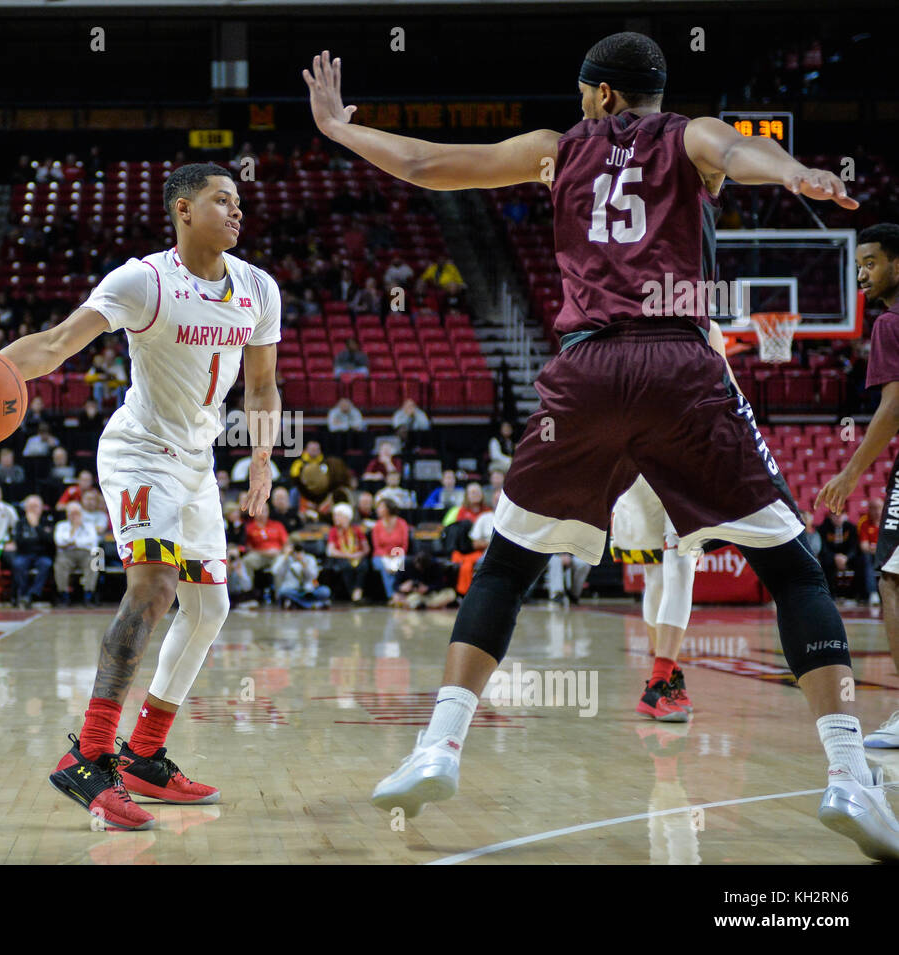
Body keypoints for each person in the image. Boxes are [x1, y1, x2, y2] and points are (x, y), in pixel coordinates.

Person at [307, 38, 897, 858]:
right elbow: (740, 149)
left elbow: (429, 162)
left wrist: (340, 130)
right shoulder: (690, 137)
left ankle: (437, 746)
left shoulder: (556, 151)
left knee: (509, 565)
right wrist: (796, 174)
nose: (580, 103)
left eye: (585, 92)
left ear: (606, 96)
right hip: (683, 364)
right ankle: (845, 772)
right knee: (795, 565)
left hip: (584, 368)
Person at [0, 162, 281, 830]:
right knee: (153, 591)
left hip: (198, 463)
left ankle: (144, 754)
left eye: (240, 202)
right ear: (183, 210)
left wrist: (263, 457)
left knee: (209, 609)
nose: (238, 211)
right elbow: (60, 342)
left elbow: (262, 385)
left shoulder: (258, 288)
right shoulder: (143, 280)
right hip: (140, 454)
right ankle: (90, 757)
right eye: (222, 200)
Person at [819, 223, 899, 747]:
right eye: (858, 265)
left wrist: (850, 473)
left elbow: (894, 408)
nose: (862, 274)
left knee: (892, 580)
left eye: (870, 262)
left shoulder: (890, 326)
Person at [609, 475, 696, 720]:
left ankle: (657, 686)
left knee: (681, 564)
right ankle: (670, 676)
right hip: (641, 471)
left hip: (684, 465)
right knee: (656, 579)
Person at [53, 501, 101, 606]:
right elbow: (59, 541)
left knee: (96, 560)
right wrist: (74, 530)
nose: (74, 516)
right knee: (60, 564)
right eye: (72, 513)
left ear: (81, 513)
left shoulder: (89, 526)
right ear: (67, 514)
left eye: (77, 513)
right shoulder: (61, 525)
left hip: (86, 553)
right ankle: (63, 595)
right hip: (66, 554)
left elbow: (93, 541)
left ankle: (89, 595)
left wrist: (72, 542)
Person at [11, 494, 55, 608]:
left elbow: (49, 541)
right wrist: (37, 540)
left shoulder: (47, 521)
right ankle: (24, 593)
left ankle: (32, 594)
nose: (33, 509)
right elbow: (19, 542)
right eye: (30, 506)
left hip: (42, 555)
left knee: (46, 564)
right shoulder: (20, 523)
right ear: (25, 508)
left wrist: (36, 527)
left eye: (36, 506)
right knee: (18, 564)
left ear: (41, 508)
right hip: (24, 554)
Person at [326, 502, 370, 602]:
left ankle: (358, 589)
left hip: (357, 556)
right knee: (346, 566)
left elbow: (366, 548)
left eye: (337, 515)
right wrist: (347, 555)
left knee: (363, 565)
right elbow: (331, 551)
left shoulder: (356, 530)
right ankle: (353, 594)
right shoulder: (333, 531)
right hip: (342, 557)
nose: (335, 518)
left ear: (346, 517)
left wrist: (359, 554)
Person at [272, 538, 331, 609]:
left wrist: (304, 564)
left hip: (308, 590)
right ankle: (314, 604)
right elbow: (274, 571)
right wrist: (285, 557)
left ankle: (297, 603)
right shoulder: (284, 559)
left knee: (325, 591)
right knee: (283, 592)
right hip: (292, 589)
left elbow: (314, 576)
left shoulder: (309, 558)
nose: (296, 552)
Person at [371, 499, 411, 601]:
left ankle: (401, 592)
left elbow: (404, 544)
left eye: (381, 507)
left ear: (388, 509)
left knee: (399, 566)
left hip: (398, 554)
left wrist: (394, 555)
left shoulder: (401, 523)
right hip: (381, 556)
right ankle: (392, 595)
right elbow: (377, 547)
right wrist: (386, 556)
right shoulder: (377, 526)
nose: (378, 510)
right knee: (386, 567)